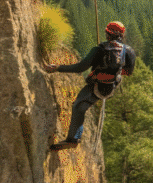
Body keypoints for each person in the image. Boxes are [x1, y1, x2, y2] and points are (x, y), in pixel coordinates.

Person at [43, 21, 136, 151]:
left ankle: (73, 139)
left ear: (107, 33)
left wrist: (58, 68)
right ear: (121, 35)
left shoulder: (99, 49)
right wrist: (114, 72)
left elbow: (80, 67)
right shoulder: (129, 51)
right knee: (82, 105)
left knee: (79, 107)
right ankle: (73, 139)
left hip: (95, 87)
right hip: (110, 87)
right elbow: (128, 72)